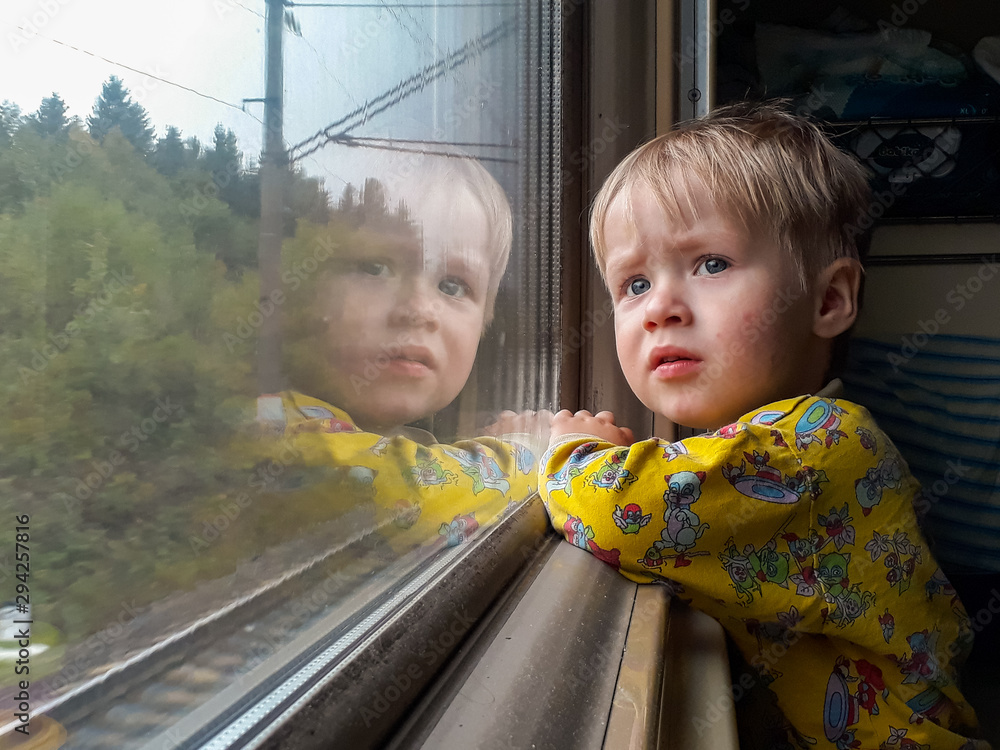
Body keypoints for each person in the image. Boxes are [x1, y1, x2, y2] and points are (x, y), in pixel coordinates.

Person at [540, 102, 988, 749]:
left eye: (711, 264)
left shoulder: (820, 444)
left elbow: (617, 510)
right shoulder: (739, 452)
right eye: (634, 282)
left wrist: (569, 447)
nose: (660, 307)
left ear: (829, 299)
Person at [235, 153, 543, 560]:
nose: (418, 309)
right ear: (297, 291)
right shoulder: (273, 428)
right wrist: (544, 450)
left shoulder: (409, 444)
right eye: (375, 267)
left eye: (452, 286)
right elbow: (404, 490)